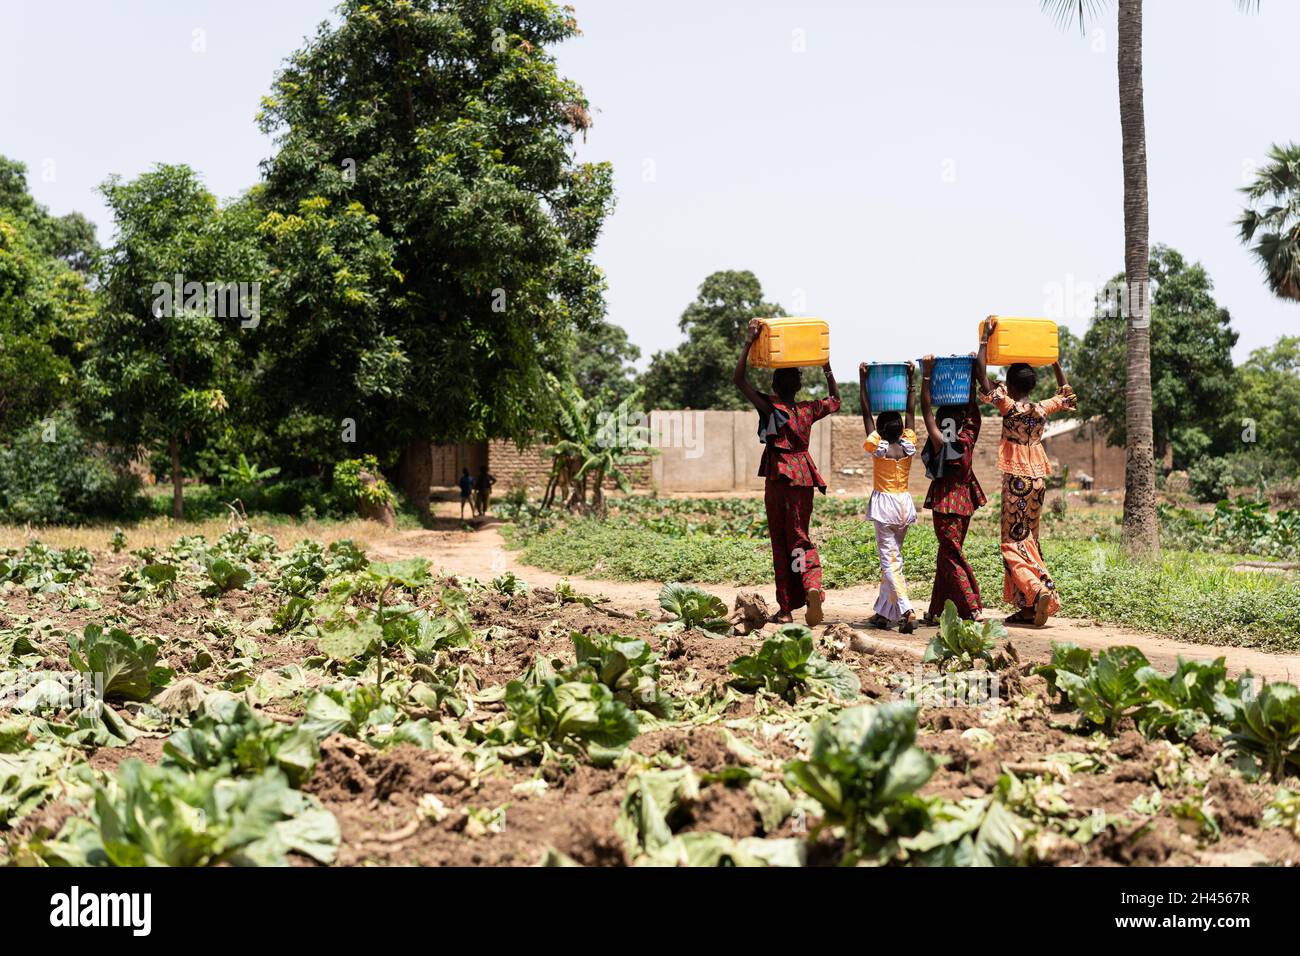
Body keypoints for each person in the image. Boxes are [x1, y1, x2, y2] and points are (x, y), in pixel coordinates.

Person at [734, 318, 840, 625]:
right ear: (798, 385)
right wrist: (827, 366)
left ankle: (788, 607)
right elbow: (835, 400)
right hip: (803, 477)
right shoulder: (807, 410)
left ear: (774, 386)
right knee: (799, 535)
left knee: (782, 542)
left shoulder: (771, 407)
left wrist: (749, 341)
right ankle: (811, 587)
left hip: (778, 476)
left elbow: (738, 380)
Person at [976, 316, 1077, 626]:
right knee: (1028, 539)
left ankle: (1037, 589)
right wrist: (1054, 360)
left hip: (1017, 480)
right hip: (1038, 480)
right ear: (1032, 386)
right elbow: (1067, 392)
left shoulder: (1010, 407)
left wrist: (984, 341)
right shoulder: (1041, 408)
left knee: (1011, 542)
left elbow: (981, 377)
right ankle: (1027, 607)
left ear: (1012, 384)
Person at [919, 353, 987, 624]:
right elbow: (973, 412)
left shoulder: (940, 443)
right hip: (965, 503)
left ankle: (972, 608)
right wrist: (970, 378)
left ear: (941, 423)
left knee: (951, 554)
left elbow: (925, 411)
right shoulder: (968, 438)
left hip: (946, 504)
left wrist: (927, 374)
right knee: (947, 552)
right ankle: (936, 610)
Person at [859, 361, 919, 633]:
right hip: (904, 505)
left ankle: (906, 609)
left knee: (890, 561)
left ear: (880, 430)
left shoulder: (877, 447)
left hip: (885, 506)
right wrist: (911, 380)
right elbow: (911, 412)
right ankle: (883, 614)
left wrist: (863, 383)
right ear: (901, 429)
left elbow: (865, 415)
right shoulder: (908, 446)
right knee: (892, 558)